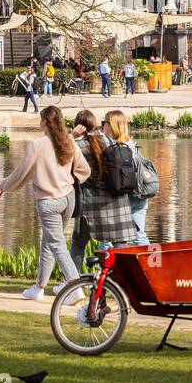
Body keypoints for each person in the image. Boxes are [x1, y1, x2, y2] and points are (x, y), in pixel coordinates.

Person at [0, 106, 91, 301]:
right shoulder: (68, 141)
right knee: (48, 242)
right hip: (68, 198)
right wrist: (69, 180)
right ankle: (39, 287)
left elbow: (20, 173)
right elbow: (85, 170)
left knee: (56, 244)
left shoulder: (37, 145)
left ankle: (74, 285)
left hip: (48, 201)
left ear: (46, 122)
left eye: (41, 120)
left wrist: (3, 185)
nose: (39, 123)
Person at [69, 109, 135, 269]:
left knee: (79, 243)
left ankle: (72, 284)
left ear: (78, 126)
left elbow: (59, 158)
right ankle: (125, 282)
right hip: (117, 199)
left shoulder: (76, 146)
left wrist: (71, 136)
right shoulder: (111, 142)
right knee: (120, 243)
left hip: (91, 203)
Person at [104, 109, 150, 247]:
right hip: (141, 193)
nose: (102, 127)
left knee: (108, 238)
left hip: (124, 196)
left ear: (111, 125)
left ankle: (109, 267)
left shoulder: (111, 147)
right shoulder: (132, 144)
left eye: (104, 123)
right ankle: (152, 264)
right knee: (139, 235)